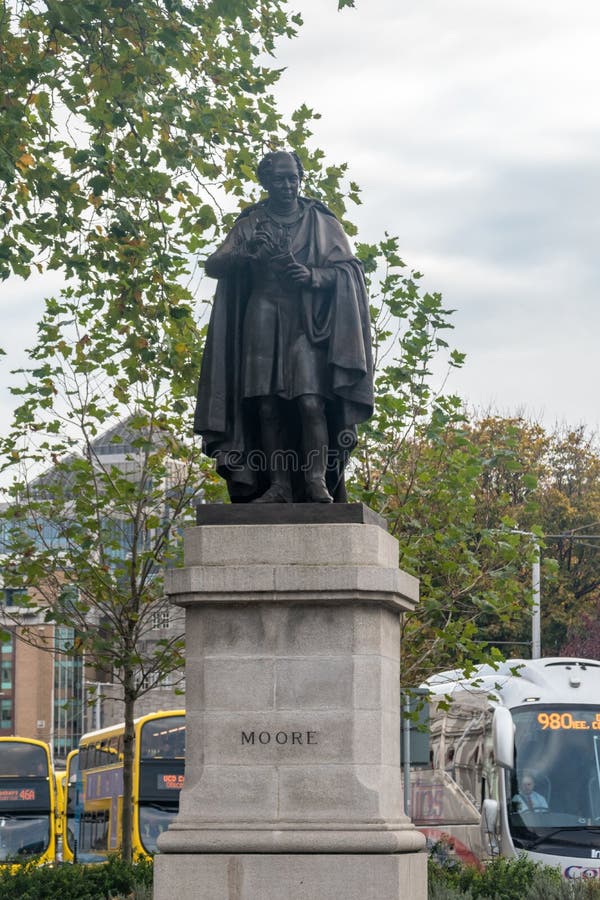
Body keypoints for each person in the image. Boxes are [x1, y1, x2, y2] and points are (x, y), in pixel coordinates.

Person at [194, 150, 373, 503]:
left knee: (310, 401)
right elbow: (214, 264)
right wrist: (245, 254)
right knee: (267, 405)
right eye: (279, 179)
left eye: (293, 178)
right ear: (265, 181)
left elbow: (350, 271)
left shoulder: (320, 221)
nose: (288, 185)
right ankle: (278, 485)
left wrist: (313, 276)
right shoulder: (251, 224)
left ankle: (316, 480)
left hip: (307, 323)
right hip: (261, 316)